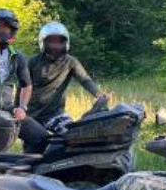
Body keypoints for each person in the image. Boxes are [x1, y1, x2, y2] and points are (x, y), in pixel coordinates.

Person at [19, 22, 108, 153]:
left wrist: (98, 94)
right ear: (44, 42)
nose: (56, 45)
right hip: (32, 115)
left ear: (65, 43)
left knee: (72, 136)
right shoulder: (32, 62)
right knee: (35, 147)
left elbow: (85, 79)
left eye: (59, 41)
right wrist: (19, 110)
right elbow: (23, 86)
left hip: (55, 113)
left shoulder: (70, 62)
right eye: (51, 41)